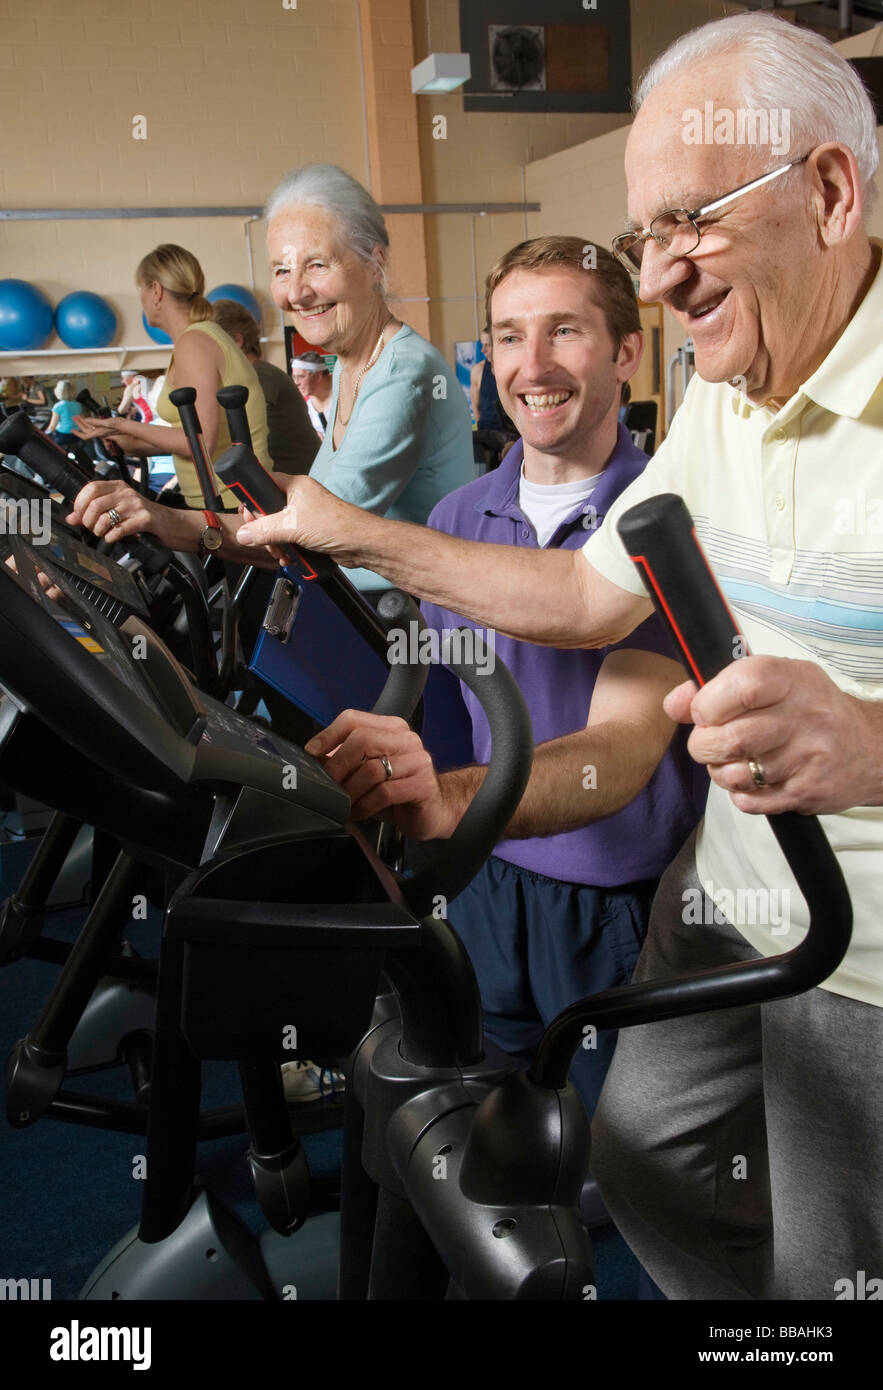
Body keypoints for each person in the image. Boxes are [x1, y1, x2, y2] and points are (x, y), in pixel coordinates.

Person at [235, 14, 883, 1300]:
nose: (656, 277)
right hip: (729, 895)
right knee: (637, 1154)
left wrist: (870, 743)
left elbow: (625, 724)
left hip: (862, 957)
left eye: (689, 222)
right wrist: (345, 527)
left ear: (827, 191)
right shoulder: (726, 395)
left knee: (828, 1269)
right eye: (647, 237)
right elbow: (589, 600)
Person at [304, 236, 707, 1121]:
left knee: (623, 1159)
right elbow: (437, 684)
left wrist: (446, 798)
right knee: (491, 1128)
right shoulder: (457, 517)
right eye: (509, 337)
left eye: (564, 332)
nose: (532, 366)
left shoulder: (670, 519)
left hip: (616, 902)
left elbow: (619, 752)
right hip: (485, 875)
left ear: (626, 352)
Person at [69, 167, 473, 590]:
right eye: (282, 270)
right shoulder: (353, 360)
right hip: (354, 601)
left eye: (316, 264)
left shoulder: (402, 373)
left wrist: (167, 519)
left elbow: (312, 539)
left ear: (375, 263)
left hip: (409, 621)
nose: (295, 293)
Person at [72, 244, 272, 513]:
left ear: (156, 291)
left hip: (233, 505)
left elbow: (200, 441)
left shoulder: (195, 343)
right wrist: (135, 445)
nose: (141, 299)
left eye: (141, 290)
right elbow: (195, 439)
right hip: (225, 500)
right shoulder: (197, 339)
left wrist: (124, 425)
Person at [211, 298, 318, 476]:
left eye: (213, 344)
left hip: (300, 484)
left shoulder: (261, 377)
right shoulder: (257, 376)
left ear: (237, 340)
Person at [291, 350, 333, 439]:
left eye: (301, 377)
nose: (296, 383)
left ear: (318, 376)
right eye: (294, 377)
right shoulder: (303, 401)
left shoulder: (342, 393)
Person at [47, 380, 84, 448]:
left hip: (63, 436)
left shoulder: (58, 406)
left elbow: (52, 426)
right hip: (76, 436)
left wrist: (44, 434)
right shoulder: (78, 405)